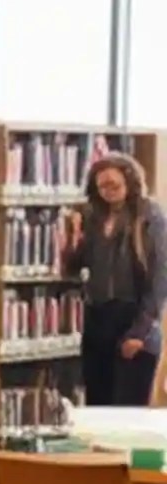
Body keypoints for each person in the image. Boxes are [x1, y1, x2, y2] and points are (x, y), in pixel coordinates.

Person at [64, 152, 167, 406]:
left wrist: (140, 332)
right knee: (97, 400)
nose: (108, 192)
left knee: (127, 404)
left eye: (114, 185)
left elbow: (160, 277)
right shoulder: (93, 217)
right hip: (98, 318)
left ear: (130, 182)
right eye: (101, 187)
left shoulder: (149, 216)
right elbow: (71, 269)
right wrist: (72, 237)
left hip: (133, 317)